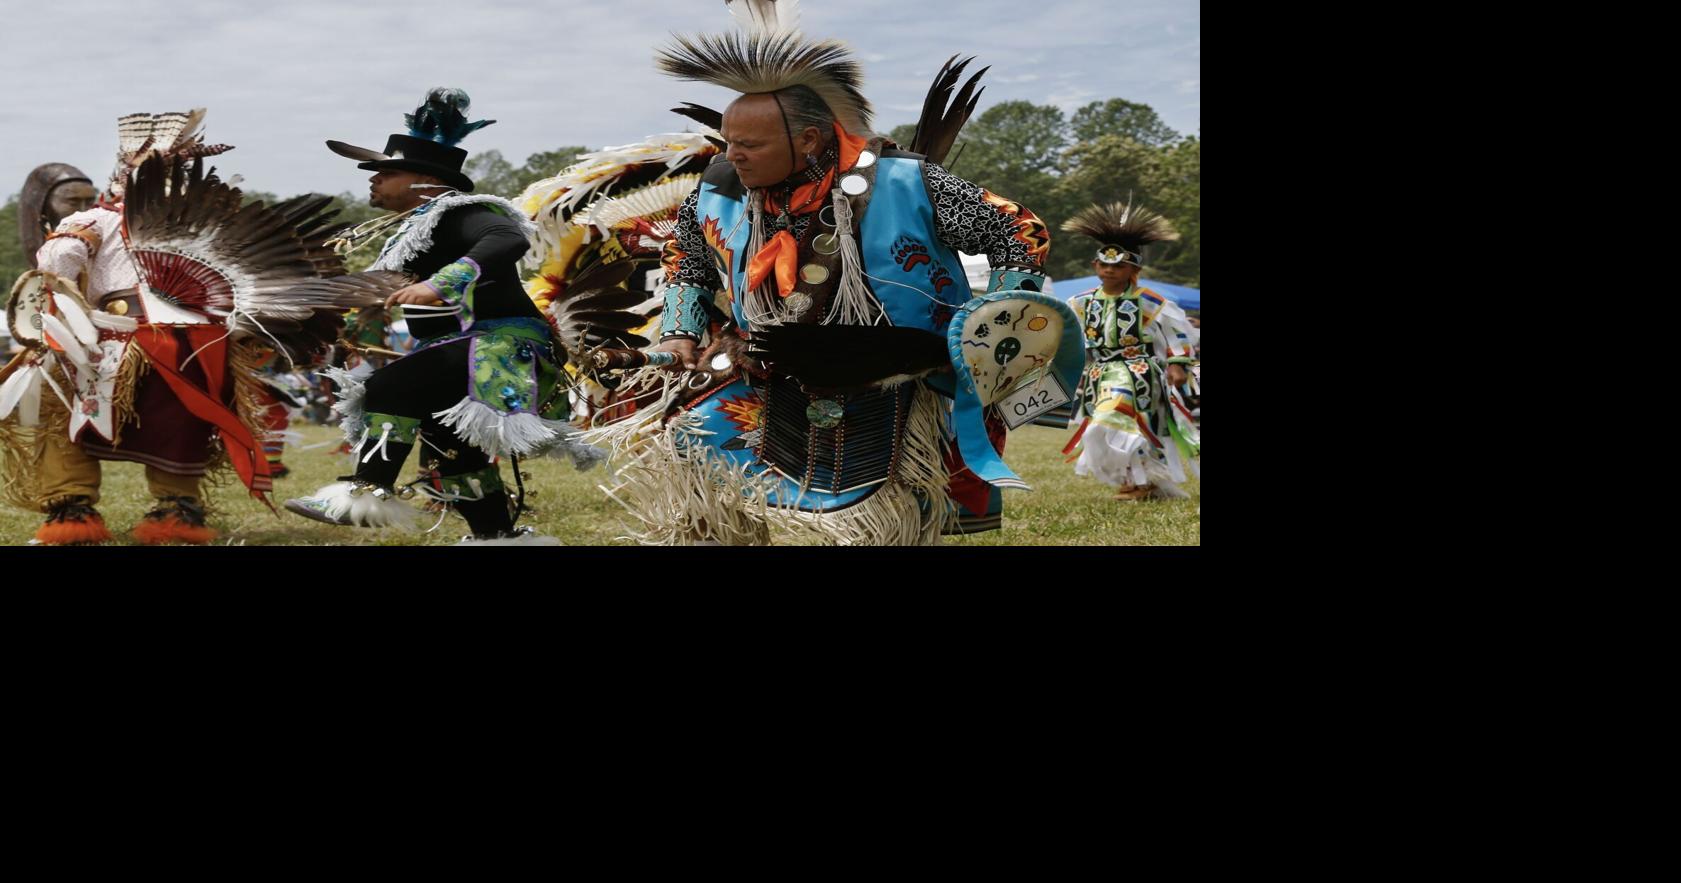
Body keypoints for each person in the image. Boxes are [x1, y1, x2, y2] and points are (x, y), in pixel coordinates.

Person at [581, 1, 1081, 545]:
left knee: (886, 525)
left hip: (900, 380)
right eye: (729, 142)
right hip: (769, 370)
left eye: (750, 144)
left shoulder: (908, 183)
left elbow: (1019, 233)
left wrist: (975, 341)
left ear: (812, 140)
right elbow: (687, 258)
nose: (734, 156)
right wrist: (679, 333)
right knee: (695, 470)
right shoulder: (719, 189)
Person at [284, 88, 602, 544]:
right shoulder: (419, 229)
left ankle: (366, 491)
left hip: (499, 343)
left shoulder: (462, 212)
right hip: (461, 347)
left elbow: (507, 239)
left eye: (385, 171)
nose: (371, 178)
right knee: (452, 449)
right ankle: (497, 537)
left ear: (423, 180)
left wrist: (441, 283)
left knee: (389, 387)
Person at [1060, 200, 1200, 500]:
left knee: (1113, 420)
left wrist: (1178, 363)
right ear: (1095, 265)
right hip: (1098, 374)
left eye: (1118, 265)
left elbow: (1176, 331)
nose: (1110, 270)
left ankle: (1142, 479)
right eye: (1104, 264)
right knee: (1130, 426)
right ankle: (1138, 481)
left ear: (1133, 267)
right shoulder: (1080, 302)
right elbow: (1066, 335)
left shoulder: (1147, 300)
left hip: (1136, 372)